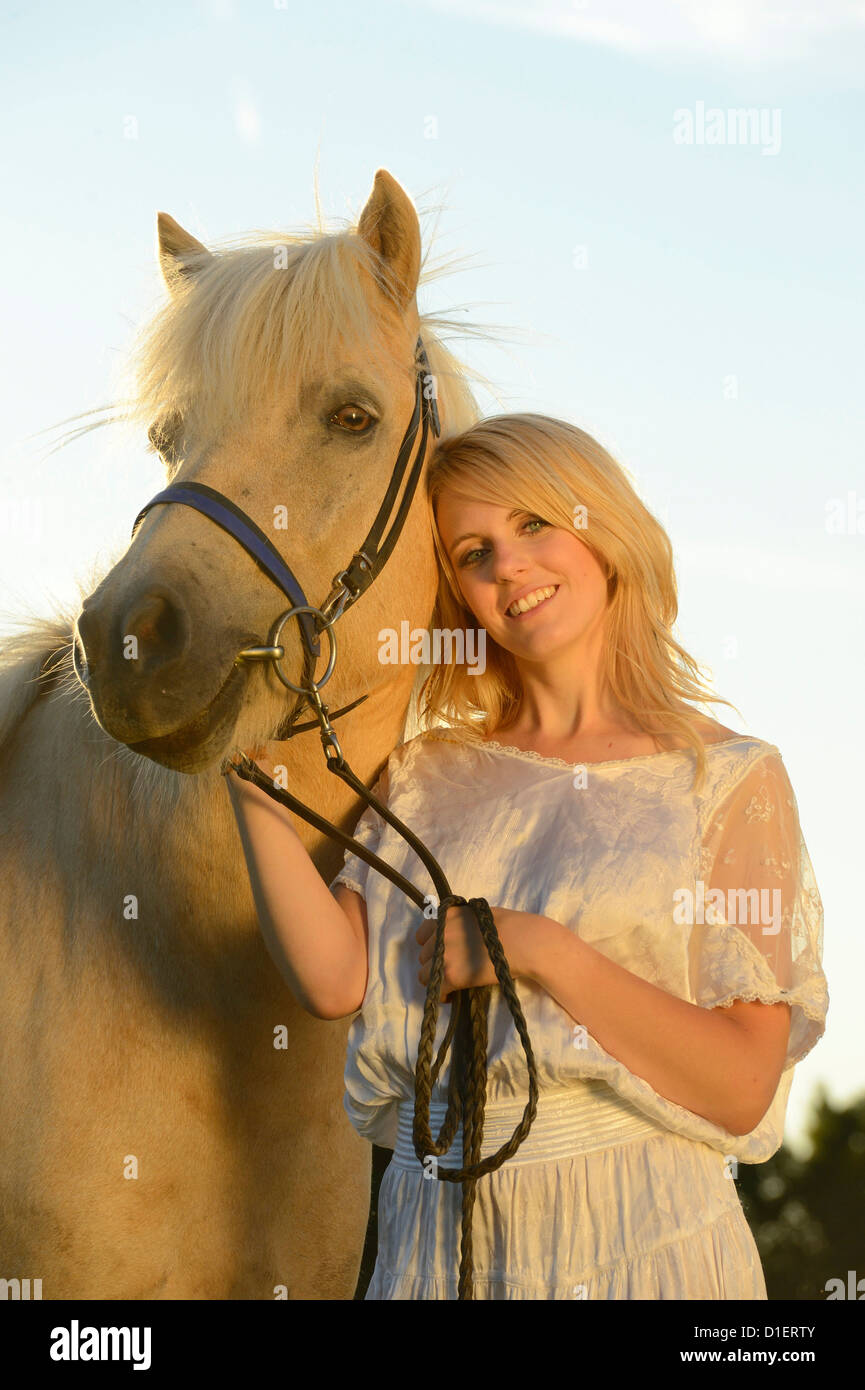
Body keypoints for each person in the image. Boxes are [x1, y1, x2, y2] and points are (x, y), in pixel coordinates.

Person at [225, 412, 828, 1300]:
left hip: (643, 1229)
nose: (506, 565)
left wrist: (541, 952)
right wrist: (244, 775)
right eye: (472, 553)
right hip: (437, 1233)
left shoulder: (728, 780)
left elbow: (740, 1084)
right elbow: (334, 979)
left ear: (603, 531)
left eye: (533, 525)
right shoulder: (428, 771)